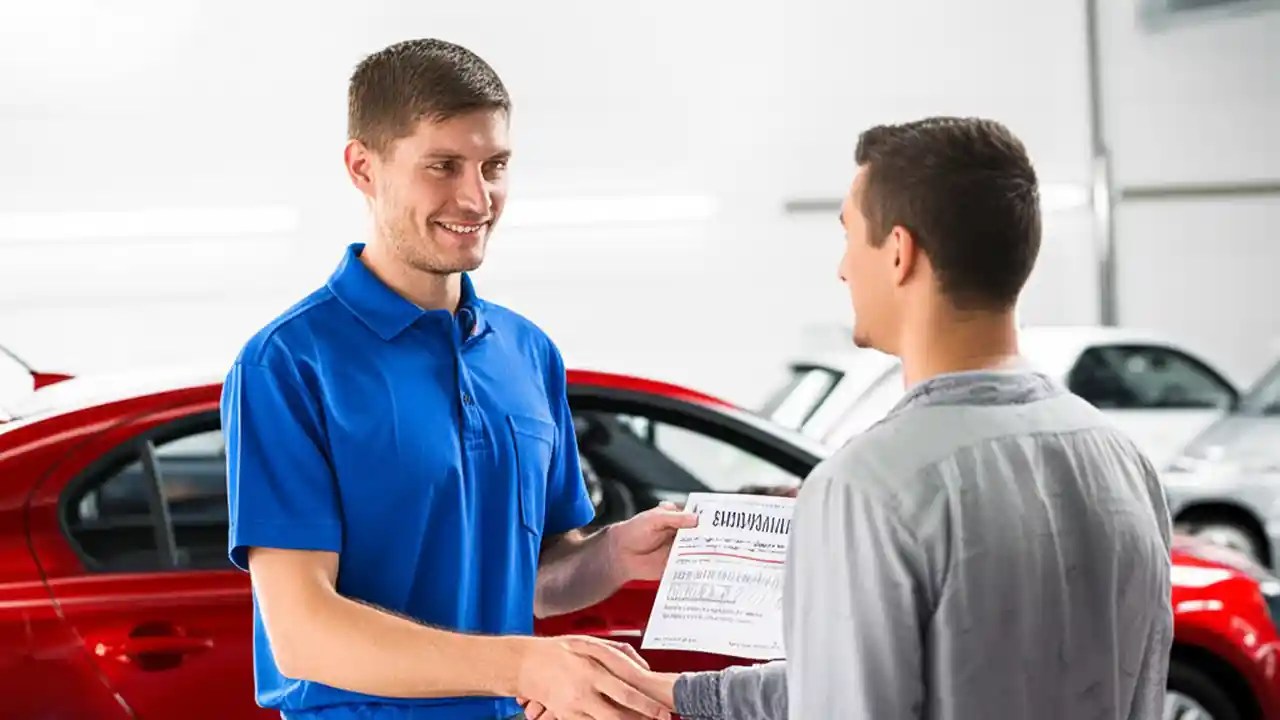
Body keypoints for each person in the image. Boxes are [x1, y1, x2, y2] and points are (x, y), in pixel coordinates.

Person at [576, 117, 1174, 719]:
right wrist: (683, 694)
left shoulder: (867, 487)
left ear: (898, 252)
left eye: (849, 235)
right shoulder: (1121, 461)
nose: (842, 268)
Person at [222, 37, 696, 720]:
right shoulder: (288, 364)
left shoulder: (528, 352)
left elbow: (538, 579)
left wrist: (617, 552)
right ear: (363, 167)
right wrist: (524, 665)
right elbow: (304, 634)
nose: (477, 198)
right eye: (443, 166)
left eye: (494, 166)